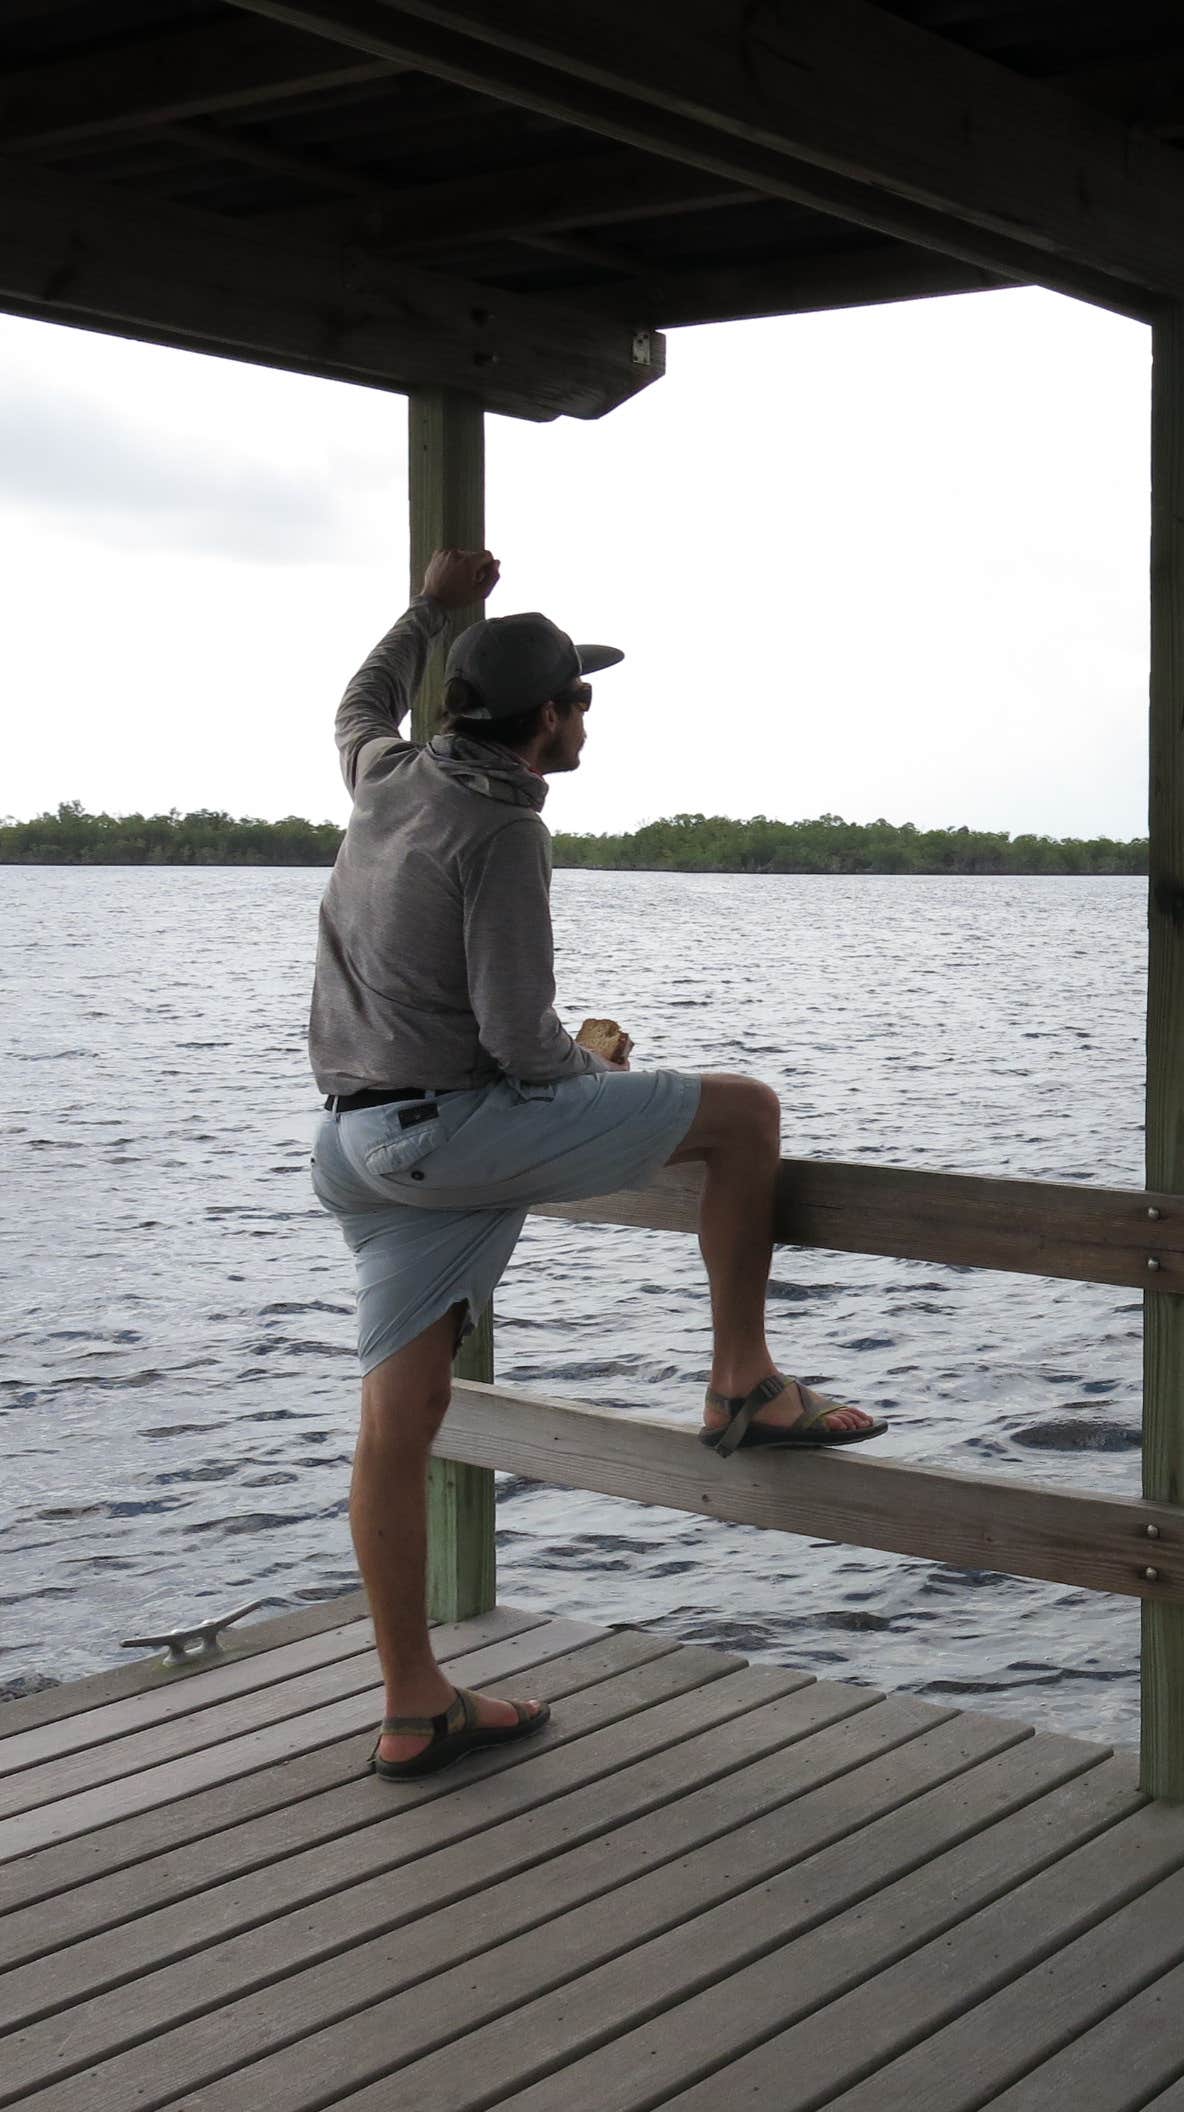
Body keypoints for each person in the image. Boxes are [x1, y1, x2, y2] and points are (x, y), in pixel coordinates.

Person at [309, 547, 882, 1781]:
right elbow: (520, 1043)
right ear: (546, 723)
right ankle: (745, 1380)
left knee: (396, 1425)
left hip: (354, 1142)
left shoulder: (385, 776)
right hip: (444, 1134)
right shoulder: (503, 830)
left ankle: (415, 1703)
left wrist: (435, 609)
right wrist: (605, 1077)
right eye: (583, 702)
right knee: (742, 1115)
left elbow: (358, 700)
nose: (590, 721)